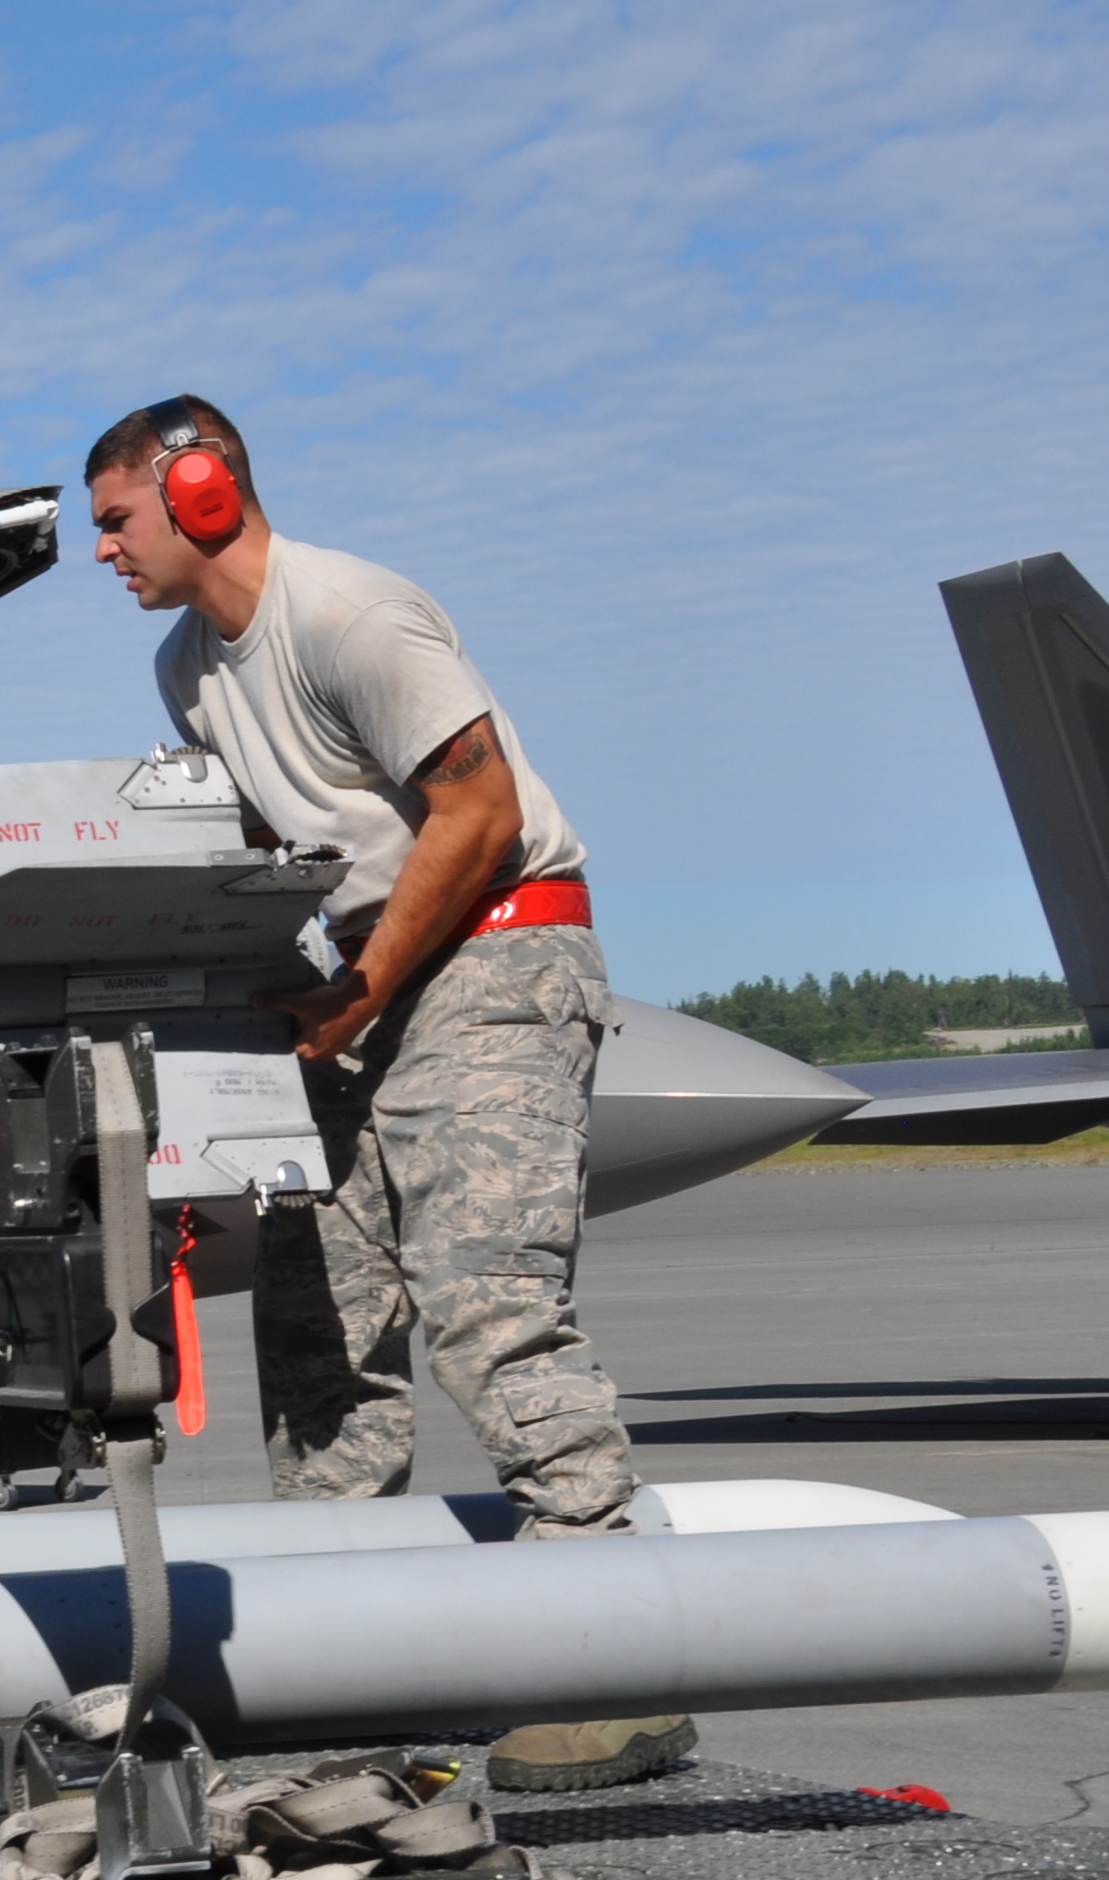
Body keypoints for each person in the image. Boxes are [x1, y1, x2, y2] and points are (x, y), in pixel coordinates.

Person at [83, 393, 688, 1793]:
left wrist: (358, 994)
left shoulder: (354, 615)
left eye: (117, 520)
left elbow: (472, 815)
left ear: (203, 492)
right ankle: (339, 1659)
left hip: (494, 953)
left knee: (482, 1286)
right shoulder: (188, 667)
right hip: (361, 977)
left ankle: (616, 1653)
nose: (104, 551)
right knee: (319, 1321)